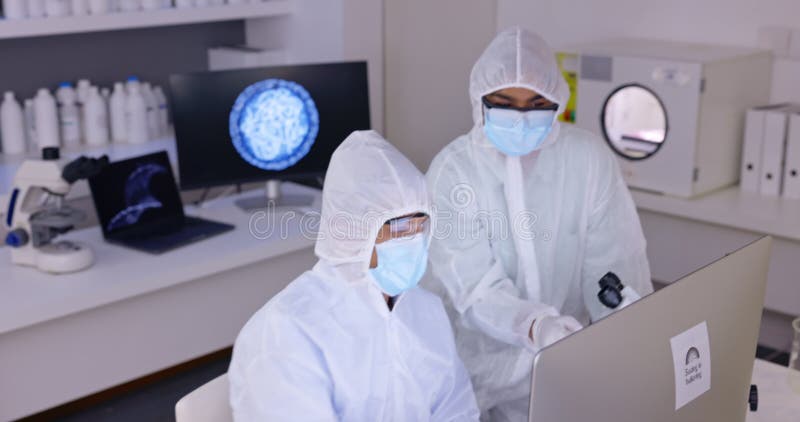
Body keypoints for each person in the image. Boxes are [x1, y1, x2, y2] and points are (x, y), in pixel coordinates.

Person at [424, 27, 654, 421]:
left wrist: (626, 335)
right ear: (480, 102)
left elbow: (613, 268)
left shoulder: (587, 160)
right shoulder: (453, 173)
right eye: (504, 104)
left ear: (556, 100)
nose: (520, 118)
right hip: (480, 376)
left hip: (568, 368)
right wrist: (534, 326)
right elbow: (475, 290)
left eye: (536, 103)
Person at [228, 130, 480, 421]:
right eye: (399, 227)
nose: (414, 239)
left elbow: (457, 408)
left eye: (419, 224)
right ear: (353, 232)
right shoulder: (286, 331)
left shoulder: (426, 310)